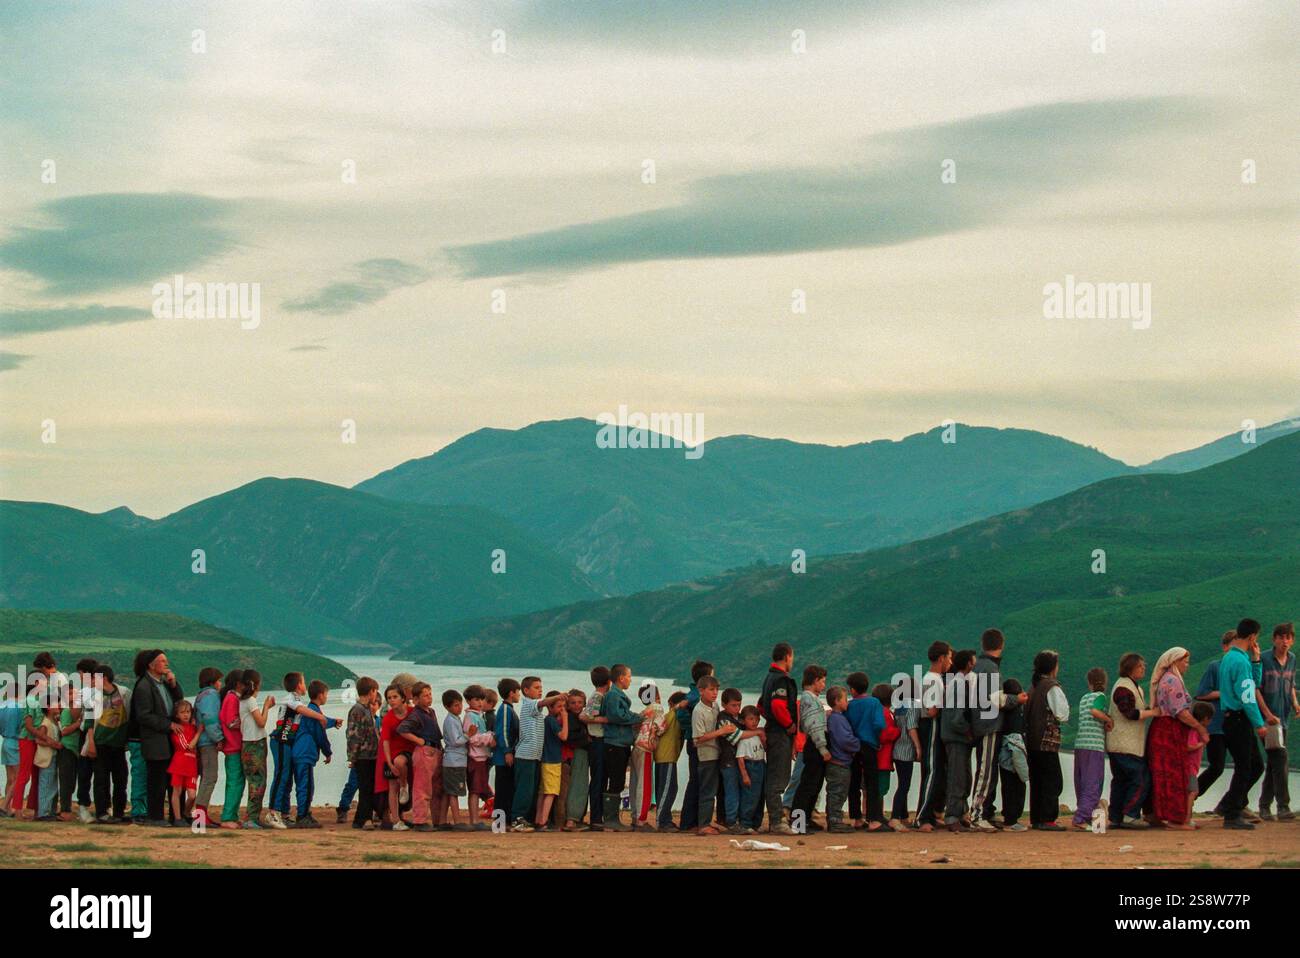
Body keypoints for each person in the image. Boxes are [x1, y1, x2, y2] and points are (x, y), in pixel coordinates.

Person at [1147, 647, 1206, 828]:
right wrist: (1199, 727)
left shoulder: (1164, 679)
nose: (1187, 665)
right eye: (1185, 662)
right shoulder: (1172, 681)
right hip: (1170, 732)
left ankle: (1159, 814)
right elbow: (1179, 711)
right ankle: (1176, 818)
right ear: (1174, 662)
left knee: (1162, 774)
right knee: (1174, 775)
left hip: (1161, 730)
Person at [1218, 619, 1268, 830]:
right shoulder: (1239, 661)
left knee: (1255, 765)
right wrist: (1259, 723)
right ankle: (1232, 813)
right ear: (1252, 637)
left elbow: (1252, 684)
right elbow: (1248, 695)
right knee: (1245, 767)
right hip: (1239, 718)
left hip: (1231, 718)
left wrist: (1256, 661)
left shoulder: (1231, 658)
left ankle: (1230, 804)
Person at [268, 672, 332, 829]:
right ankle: (272, 812)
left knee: (288, 778)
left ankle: (284, 813)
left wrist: (329, 721)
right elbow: (303, 711)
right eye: (303, 682)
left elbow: (307, 719)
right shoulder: (291, 698)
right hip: (280, 741)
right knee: (281, 775)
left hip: (288, 743)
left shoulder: (299, 701)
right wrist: (320, 717)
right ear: (298, 685)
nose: (305, 685)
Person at [130, 650, 185, 827]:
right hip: (154, 738)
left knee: (171, 778)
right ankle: (155, 816)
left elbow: (179, 702)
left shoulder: (163, 683)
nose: (166, 664)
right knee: (157, 779)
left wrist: (174, 684)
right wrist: (168, 725)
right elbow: (144, 716)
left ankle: (174, 816)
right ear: (151, 665)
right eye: (162, 661)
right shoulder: (144, 686)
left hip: (168, 739)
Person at [1106, 653, 1159, 829]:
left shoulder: (1132, 687)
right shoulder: (1123, 688)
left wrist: (1148, 710)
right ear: (1130, 668)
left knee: (1121, 780)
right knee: (1140, 778)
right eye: (1140, 666)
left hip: (1123, 744)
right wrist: (1153, 713)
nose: (1144, 668)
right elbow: (1129, 713)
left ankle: (1116, 816)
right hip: (1125, 743)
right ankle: (1130, 814)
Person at [511, 678, 564, 832]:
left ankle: (524, 818)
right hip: (526, 755)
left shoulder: (536, 708)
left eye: (541, 687)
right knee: (524, 789)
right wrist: (558, 697)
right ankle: (517, 819)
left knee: (531, 789)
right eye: (536, 688)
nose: (540, 690)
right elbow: (542, 703)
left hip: (534, 756)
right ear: (526, 691)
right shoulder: (529, 704)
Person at [598, 664, 645, 832]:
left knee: (618, 780)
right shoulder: (613, 695)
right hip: (615, 743)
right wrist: (638, 717)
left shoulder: (617, 695)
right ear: (621, 678)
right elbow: (616, 716)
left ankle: (612, 818)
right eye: (629, 676)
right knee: (616, 780)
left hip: (621, 742)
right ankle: (610, 820)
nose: (630, 680)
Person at [1025, 650, 1068, 830]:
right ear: (1052, 667)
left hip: (1032, 740)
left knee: (1037, 780)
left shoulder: (1034, 687)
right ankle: (1048, 818)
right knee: (1052, 780)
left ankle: (1037, 818)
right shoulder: (1051, 687)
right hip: (1046, 741)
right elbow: (1062, 714)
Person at [758, 643, 798, 835]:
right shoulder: (782, 680)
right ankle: (777, 821)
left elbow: (760, 706)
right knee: (777, 779)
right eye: (792, 657)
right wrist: (789, 725)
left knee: (776, 777)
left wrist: (771, 721)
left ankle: (775, 819)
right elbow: (777, 706)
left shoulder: (769, 678)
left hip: (773, 731)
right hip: (780, 734)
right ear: (787, 656)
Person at [82, 665, 130, 824]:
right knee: (101, 780)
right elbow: (88, 722)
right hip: (100, 742)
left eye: (95, 678)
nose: (93, 681)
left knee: (121, 779)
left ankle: (118, 812)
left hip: (118, 744)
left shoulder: (124, 693)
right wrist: (91, 743)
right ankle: (102, 812)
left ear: (104, 678)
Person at [1258, 622, 1296, 821]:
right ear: (1274, 639)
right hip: (1268, 719)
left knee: (1275, 762)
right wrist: (1266, 715)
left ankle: (1264, 807)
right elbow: (1257, 689)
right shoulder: (1264, 659)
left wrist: (1296, 704)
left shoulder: (1292, 659)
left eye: (1288, 637)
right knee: (1280, 759)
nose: (1285, 641)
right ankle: (1283, 806)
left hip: (1285, 717)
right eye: (1281, 637)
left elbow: (1290, 685)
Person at [1193, 631, 1234, 813]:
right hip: (1216, 726)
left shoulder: (1242, 667)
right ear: (1224, 647)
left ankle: (1236, 803)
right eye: (1232, 646)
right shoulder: (1214, 667)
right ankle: (1190, 796)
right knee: (1217, 767)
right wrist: (1225, 694)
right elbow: (1201, 693)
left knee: (1247, 765)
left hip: (1235, 726)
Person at [914, 641, 952, 831]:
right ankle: (922, 817)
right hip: (931, 727)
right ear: (941, 658)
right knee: (932, 771)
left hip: (935, 728)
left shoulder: (935, 679)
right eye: (949, 657)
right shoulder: (932, 679)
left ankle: (933, 812)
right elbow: (931, 711)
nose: (951, 662)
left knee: (937, 771)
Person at [290, 680, 339, 828]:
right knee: (306, 785)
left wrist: (334, 721)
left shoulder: (312, 710)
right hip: (304, 753)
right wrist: (328, 752)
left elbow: (322, 722)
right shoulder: (314, 712)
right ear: (320, 695)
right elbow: (319, 733)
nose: (327, 697)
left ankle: (304, 812)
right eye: (326, 694)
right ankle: (302, 816)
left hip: (301, 753)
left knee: (305, 784)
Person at [940, 650, 977, 832]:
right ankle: (952, 816)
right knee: (958, 776)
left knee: (964, 776)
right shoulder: (960, 685)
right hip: (956, 737)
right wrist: (968, 732)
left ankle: (961, 812)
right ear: (969, 663)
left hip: (957, 737)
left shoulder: (957, 683)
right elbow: (957, 718)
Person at [790, 666, 830, 832]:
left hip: (814, 744)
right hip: (814, 745)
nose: (823, 685)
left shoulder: (810, 698)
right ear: (815, 681)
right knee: (807, 785)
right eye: (822, 681)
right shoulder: (809, 699)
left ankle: (805, 819)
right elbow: (814, 726)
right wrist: (823, 749)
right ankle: (798, 822)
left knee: (814, 784)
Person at [1072, 667, 1112, 830]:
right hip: (1094, 746)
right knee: (1093, 782)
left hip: (1080, 744)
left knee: (1081, 782)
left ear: (1089, 683)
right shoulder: (1101, 697)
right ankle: (1080, 818)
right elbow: (1095, 712)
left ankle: (1092, 819)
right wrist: (1108, 719)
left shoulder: (1084, 698)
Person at [395, 683, 439, 832]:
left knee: (432, 786)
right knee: (422, 787)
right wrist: (418, 740)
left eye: (430, 694)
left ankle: (435, 819)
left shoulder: (430, 712)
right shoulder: (416, 714)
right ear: (415, 699)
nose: (429, 697)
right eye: (425, 695)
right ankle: (420, 820)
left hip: (434, 749)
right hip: (424, 751)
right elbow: (402, 729)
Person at [846, 671, 886, 831]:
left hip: (854, 746)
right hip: (869, 745)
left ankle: (856, 818)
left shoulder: (850, 705)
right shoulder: (874, 703)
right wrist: (877, 739)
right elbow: (879, 724)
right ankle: (874, 819)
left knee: (854, 782)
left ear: (853, 690)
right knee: (872, 782)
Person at [677, 660, 712, 831]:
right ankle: (689, 822)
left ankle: (694, 820)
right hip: (697, 742)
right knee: (697, 781)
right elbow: (684, 708)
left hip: (694, 741)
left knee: (697, 781)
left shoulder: (692, 695)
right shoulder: (695, 697)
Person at [691, 675, 728, 836]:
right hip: (707, 755)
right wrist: (721, 731)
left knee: (714, 790)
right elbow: (698, 738)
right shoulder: (698, 711)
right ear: (701, 690)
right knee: (707, 790)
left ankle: (709, 820)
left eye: (716, 690)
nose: (715, 693)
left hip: (717, 753)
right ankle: (703, 824)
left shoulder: (715, 706)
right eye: (711, 690)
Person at [237, 670, 275, 829]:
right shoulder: (251, 701)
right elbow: (261, 722)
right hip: (254, 744)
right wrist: (266, 707)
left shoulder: (242, 701)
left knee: (256, 781)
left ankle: (253, 816)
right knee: (257, 782)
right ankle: (250, 818)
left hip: (249, 744)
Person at [629, 681, 665, 829]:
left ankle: (635, 815)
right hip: (646, 748)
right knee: (644, 785)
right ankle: (641, 820)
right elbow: (660, 728)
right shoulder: (658, 708)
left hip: (636, 747)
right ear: (656, 694)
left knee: (635, 783)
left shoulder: (643, 713)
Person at [346, 677, 380, 830]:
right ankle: (365, 818)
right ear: (371, 691)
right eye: (375, 692)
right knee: (366, 788)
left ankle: (360, 818)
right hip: (363, 755)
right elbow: (354, 735)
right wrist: (353, 757)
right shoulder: (357, 710)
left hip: (372, 754)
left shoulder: (366, 709)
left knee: (369, 787)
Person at [580, 666, 611, 831]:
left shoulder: (598, 696)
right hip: (598, 741)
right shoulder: (598, 696)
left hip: (600, 741)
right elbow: (587, 716)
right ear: (609, 682)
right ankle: (596, 817)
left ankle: (599, 815)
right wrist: (606, 720)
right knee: (598, 778)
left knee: (601, 778)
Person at [192, 668, 224, 828]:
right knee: (209, 778)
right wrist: (218, 738)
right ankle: (200, 817)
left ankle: (200, 815)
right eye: (219, 680)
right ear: (212, 681)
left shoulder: (201, 695)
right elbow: (210, 718)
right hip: (207, 742)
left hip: (202, 742)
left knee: (206, 778)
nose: (220, 684)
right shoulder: (211, 695)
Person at [824, 687, 859, 834]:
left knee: (839, 792)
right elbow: (844, 740)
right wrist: (857, 744)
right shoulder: (836, 719)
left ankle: (835, 818)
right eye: (845, 699)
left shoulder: (837, 717)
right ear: (837, 701)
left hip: (841, 762)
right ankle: (834, 821)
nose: (847, 701)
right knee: (837, 792)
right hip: (839, 763)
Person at [889, 676, 922, 828]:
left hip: (896, 748)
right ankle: (895, 817)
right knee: (904, 785)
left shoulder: (898, 707)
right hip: (907, 749)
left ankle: (903, 816)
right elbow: (911, 728)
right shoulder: (913, 706)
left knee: (902, 782)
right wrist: (918, 747)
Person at [997, 678, 1029, 831]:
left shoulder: (1003, 710)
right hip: (1014, 752)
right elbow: (1017, 739)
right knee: (1017, 786)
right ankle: (1012, 820)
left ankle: (1007, 817)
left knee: (1007, 786)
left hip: (1003, 753)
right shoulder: (1017, 711)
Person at [653, 690, 687, 831]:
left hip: (668, 757)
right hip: (666, 757)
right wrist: (678, 707)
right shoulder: (671, 715)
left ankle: (665, 818)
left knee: (670, 788)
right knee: (667, 789)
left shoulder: (675, 716)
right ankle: (662, 821)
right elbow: (660, 725)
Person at [535, 691, 568, 830]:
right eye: (559, 706)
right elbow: (563, 736)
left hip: (545, 759)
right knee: (552, 791)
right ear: (550, 707)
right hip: (552, 760)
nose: (562, 709)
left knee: (543, 791)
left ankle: (538, 818)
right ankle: (543, 821)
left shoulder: (547, 721)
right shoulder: (551, 720)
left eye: (563, 706)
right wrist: (565, 720)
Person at [1179, 702, 1215, 831]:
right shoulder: (1194, 731)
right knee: (1193, 792)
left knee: (1191, 792)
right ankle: (1186, 819)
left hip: (1192, 767)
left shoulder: (1193, 730)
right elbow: (1189, 746)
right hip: (1190, 768)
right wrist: (1202, 743)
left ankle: (1186, 817)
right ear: (1205, 719)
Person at [217, 669, 245, 830]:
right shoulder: (232, 698)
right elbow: (231, 722)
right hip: (233, 746)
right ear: (238, 684)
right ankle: (227, 816)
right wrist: (247, 721)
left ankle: (232, 814)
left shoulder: (232, 697)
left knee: (237, 781)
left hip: (235, 745)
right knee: (235, 781)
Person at [463, 685, 494, 828]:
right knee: (475, 791)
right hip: (475, 758)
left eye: (482, 699)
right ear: (469, 701)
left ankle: (476, 819)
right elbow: (472, 738)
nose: (480, 702)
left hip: (482, 757)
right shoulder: (470, 716)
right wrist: (489, 737)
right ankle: (474, 820)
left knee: (479, 788)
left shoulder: (478, 715)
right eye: (476, 699)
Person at [560, 689, 591, 831]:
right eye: (573, 703)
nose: (577, 705)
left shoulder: (576, 717)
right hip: (578, 753)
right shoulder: (572, 718)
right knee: (578, 785)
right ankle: (572, 820)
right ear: (568, 704)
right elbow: (570, 738)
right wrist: (587, 739)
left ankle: (571, 818)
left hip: (573, 755)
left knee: (574, 785)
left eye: (579, 702)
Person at [492, 677, 520, 828]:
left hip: (507, 755)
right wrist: (508, 751)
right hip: (503, 757)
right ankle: (499, 823)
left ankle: (505, 820)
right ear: (511, 693)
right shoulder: (504, 709)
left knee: (508, 788)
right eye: (518, 692)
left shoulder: (509, 709)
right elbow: (502, 732)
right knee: (502, 790)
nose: (519, 695)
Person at [166, 700, 200, 824]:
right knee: (177, 791)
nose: (186, 715)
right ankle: (177, 818)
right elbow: (188, 746)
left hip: (192, 765)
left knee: (192, 795)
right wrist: (199, 732)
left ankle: (185, 814)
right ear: (177, 715)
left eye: (188, 712)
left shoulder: (193, 727)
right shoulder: (177, 729)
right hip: (179, 763)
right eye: (182, 712)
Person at [873, 683, 901, 830]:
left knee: (880, 788)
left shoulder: (880, 712)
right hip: (882, 758)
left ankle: (878, 814)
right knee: (880, 788)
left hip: (882, 757)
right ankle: (876, 815)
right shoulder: (885, 713)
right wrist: (898, 731)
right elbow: (884, 734)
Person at [441, 689, 469, 829]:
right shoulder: (450, 720)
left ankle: (442, 821)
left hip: (456, 760)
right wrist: (468, 735)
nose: (459, 707)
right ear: (447, 707)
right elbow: (455, 741)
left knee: (449, 791)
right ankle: (457, 821)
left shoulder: (455, 719)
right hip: (454, 761)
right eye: (456, 705)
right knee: (454, 792)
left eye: (460, 704)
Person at [34, 705, 63, 821]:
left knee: (52, 784)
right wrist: (53, 744)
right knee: (46, 784)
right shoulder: (45, 723)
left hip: (54, 756)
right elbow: (38, 739)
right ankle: (43, 812)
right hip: (47, 757)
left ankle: (50, 811)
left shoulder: (55, 721)